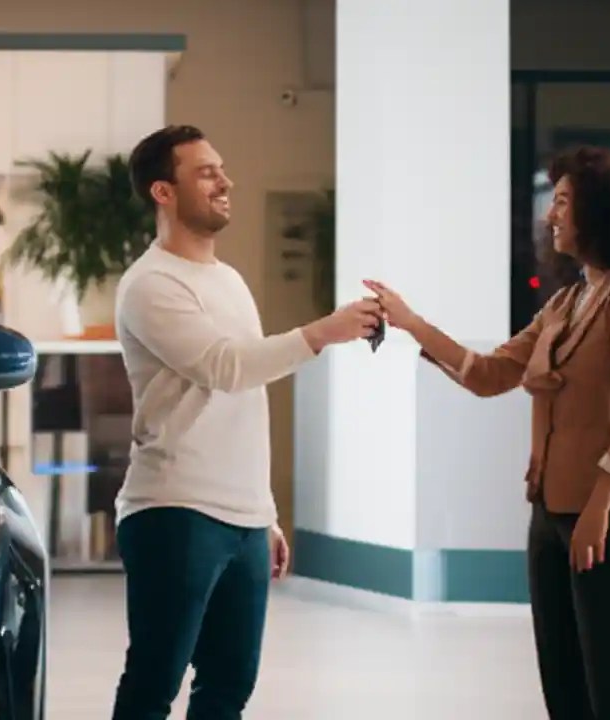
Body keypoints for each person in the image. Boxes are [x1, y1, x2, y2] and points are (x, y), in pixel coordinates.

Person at [367, 146, 610, 720]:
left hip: (609, 515)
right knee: (564, 684)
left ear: (599, 211)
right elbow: (487, 375)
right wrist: (410, 323)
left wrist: (599, 505)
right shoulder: (567, 302)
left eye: (562, 202)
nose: (550, 216)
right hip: (550, 512)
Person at [110, 124, 383, 719]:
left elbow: (243, 399)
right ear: (163, 191)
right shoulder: (149, 284)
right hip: (175, 511)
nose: (224, 180)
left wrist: (264, 512)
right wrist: (321, 332)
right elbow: (224, 367)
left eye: (222, 168)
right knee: (155, 680)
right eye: (205, 172)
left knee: (230, 686)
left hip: (241, 518)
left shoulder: (227, 280)